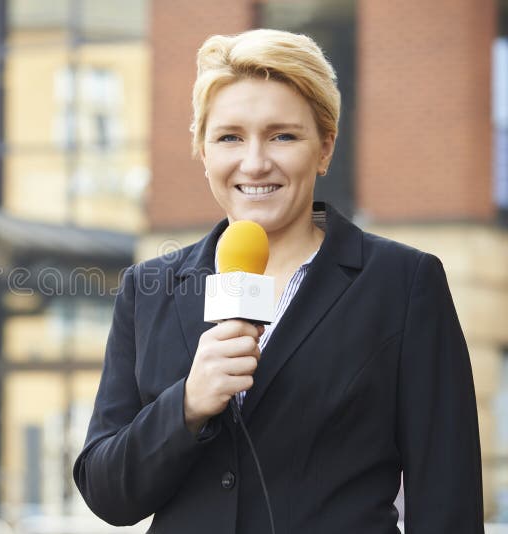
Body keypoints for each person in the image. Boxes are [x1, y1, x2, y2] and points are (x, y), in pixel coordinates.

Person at [73, 28, 483, 533]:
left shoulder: (402, 284)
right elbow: (107, 494)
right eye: (229, 137)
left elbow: (448, 498)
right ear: (202, 150)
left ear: (325, 147)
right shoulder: (149, 288)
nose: (254, 162)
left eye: (282, 135)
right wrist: (187, 404)